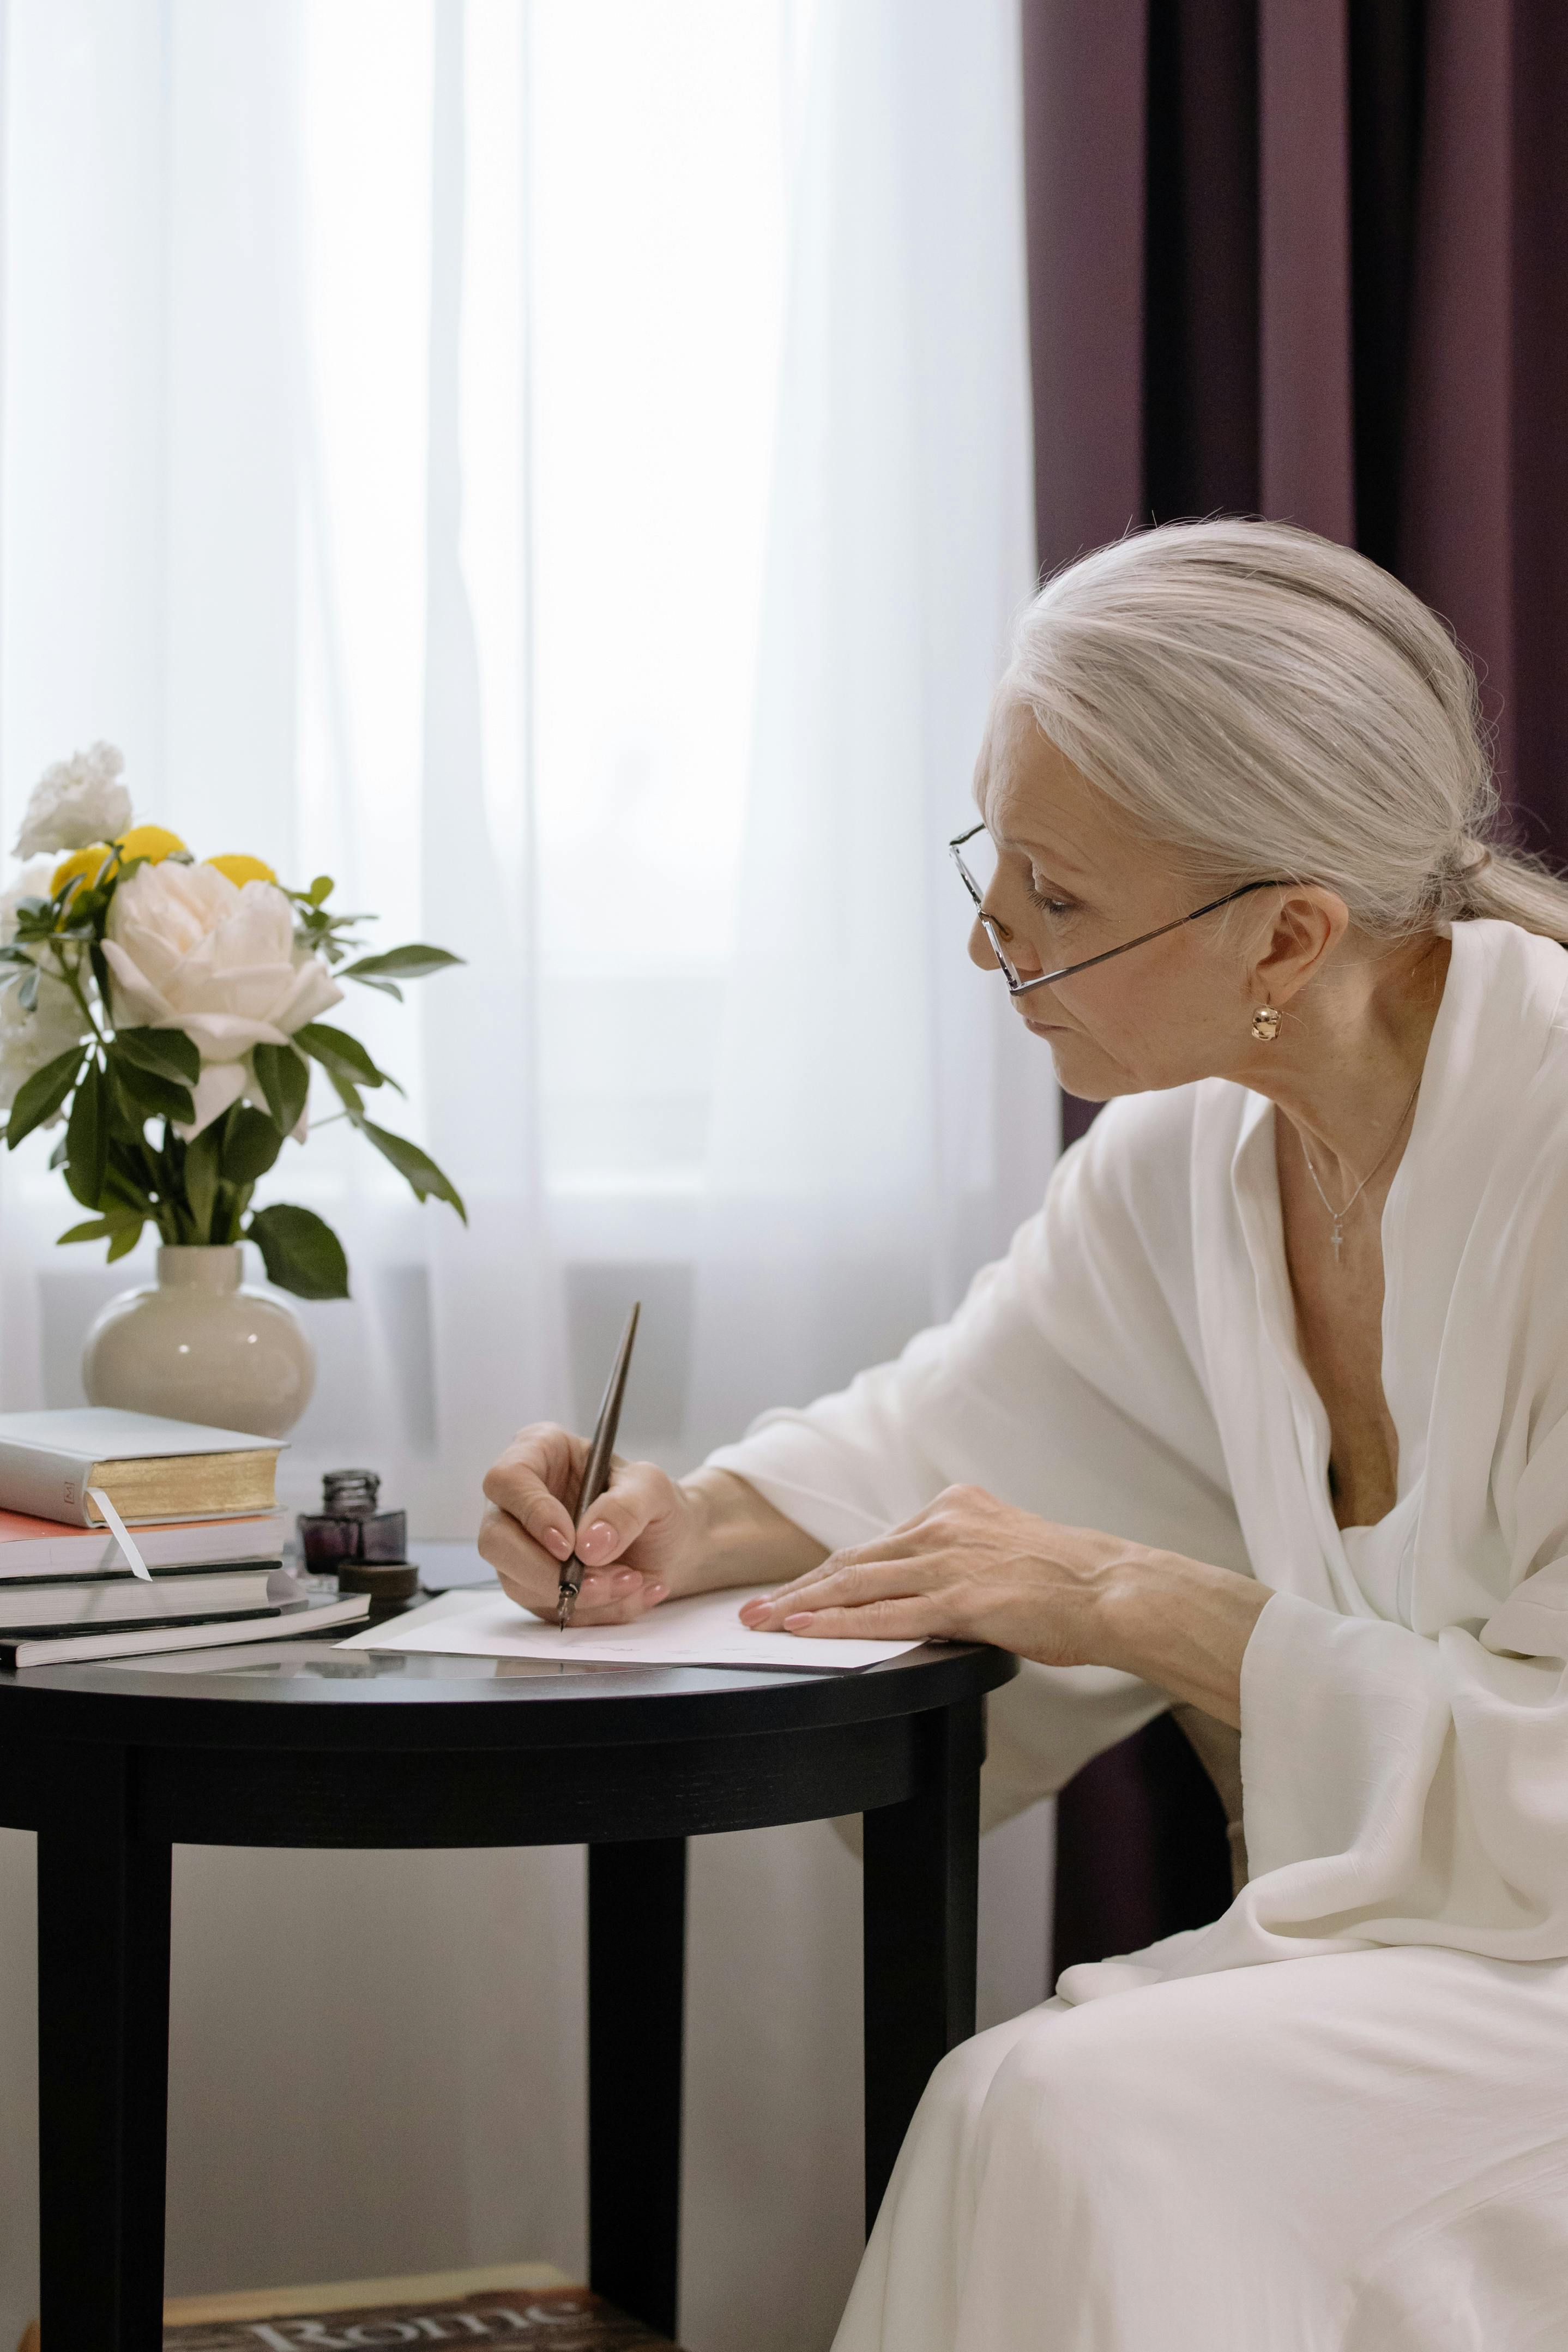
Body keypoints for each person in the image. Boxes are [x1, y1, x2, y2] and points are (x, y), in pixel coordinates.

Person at [480, 519, 1568, 2350]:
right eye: (992, 856)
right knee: (1041, 2105)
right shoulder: (1190, 1158)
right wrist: (685, 1520)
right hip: (1431, 1945)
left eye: (1056, 897)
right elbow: (946, 1433)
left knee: (1062, 2110)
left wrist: (1149, 1603)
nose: (991, 935)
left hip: (1525, 1958)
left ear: (1287, 933)